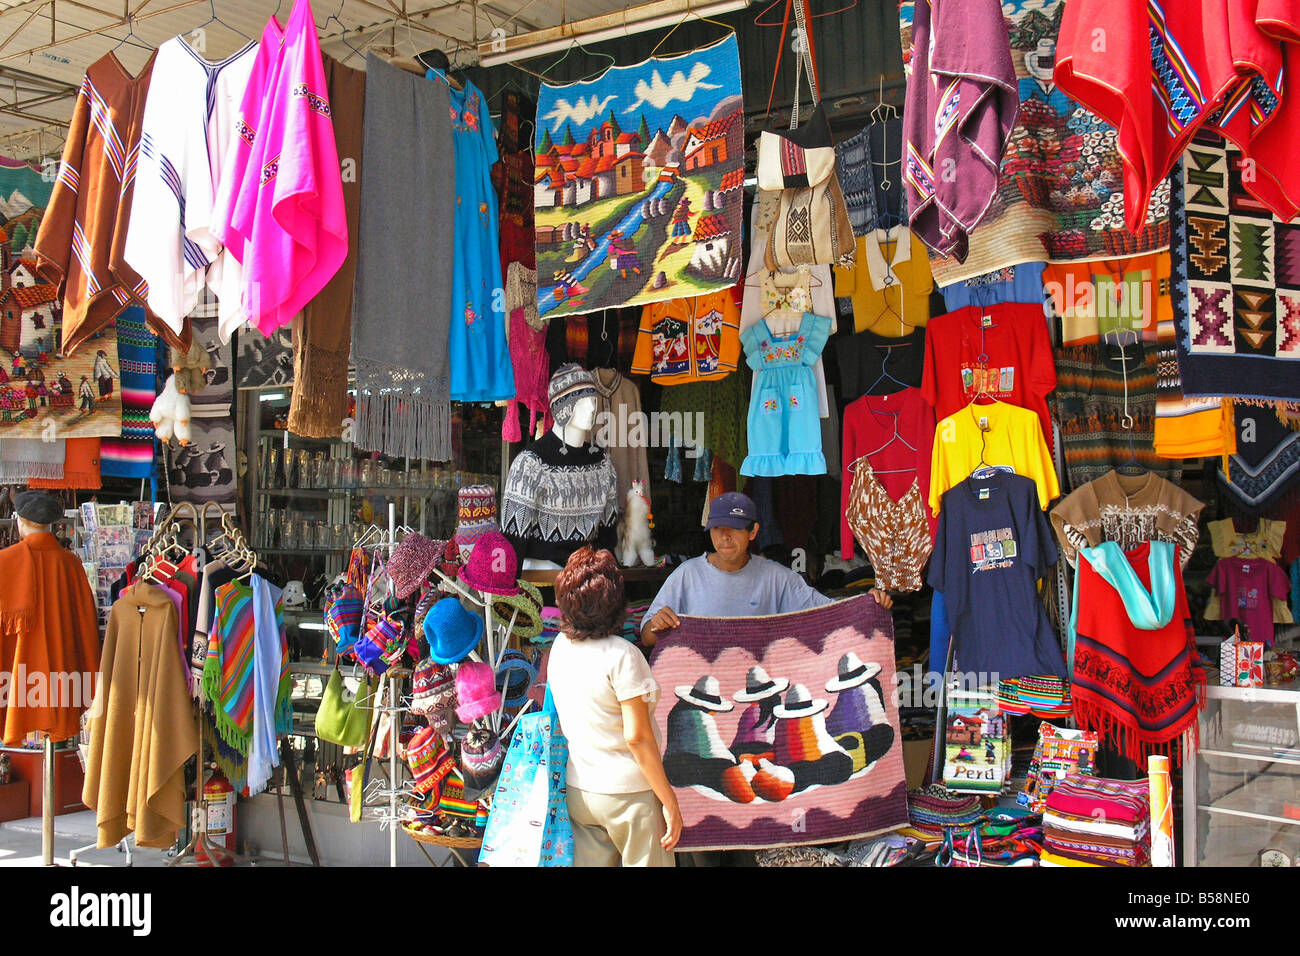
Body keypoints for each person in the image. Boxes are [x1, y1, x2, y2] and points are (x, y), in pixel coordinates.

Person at [545, 546, 681, 867]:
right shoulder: (623, 656)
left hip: (581, 788)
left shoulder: (561, 646)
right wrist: (669, 801)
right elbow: (638, 739)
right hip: (630, 795)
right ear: (615, 600)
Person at [640, 492, 893, 646]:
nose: (725, 537)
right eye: (718, 529)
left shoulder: (777, 578)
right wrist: (656, 625)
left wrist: (866, 603)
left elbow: (828, 613)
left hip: (762, 698)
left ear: (753, 532)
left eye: (734, 528)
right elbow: (646, 636)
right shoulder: (687, 575)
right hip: (704, 698)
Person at [0, 491, 100, 746]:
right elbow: (86, 627)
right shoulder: (71, 564)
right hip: (63, 676)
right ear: (52, 526)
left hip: (13, 679)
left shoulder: (4, 563)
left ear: (20, 522)